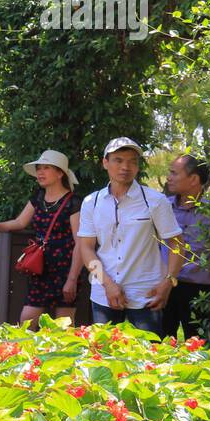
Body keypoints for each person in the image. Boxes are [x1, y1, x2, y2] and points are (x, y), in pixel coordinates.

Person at [75, 138, 185, 333]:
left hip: (147, 293)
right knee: (105, 355)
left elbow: (176, 243)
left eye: (132, 161)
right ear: (105, 163)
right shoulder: (91, 202)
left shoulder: (155, 201)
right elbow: (86, 248)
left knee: (148, 358)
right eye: (118, 160)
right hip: (103, 292)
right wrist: (107, 283)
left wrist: (169, 282)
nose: (126, 167)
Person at [0, 150, 84, 327]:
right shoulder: (38, 198)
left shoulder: (73, 202)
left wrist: (72, 279)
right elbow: (20, 222)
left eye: (46, 168)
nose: (40, 172)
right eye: (39, 168)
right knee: (27, 323)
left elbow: (80, 243)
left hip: (65, 270)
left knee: (64, 330)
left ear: (60, 172)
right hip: (39, 269)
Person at [161, 153, 210, 339]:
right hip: (166, 287)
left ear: (193, 179)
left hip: (201, 292)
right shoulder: (162, 206)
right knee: (159, 345)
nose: (169, 177)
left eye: (174, 173)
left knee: (200, 349)